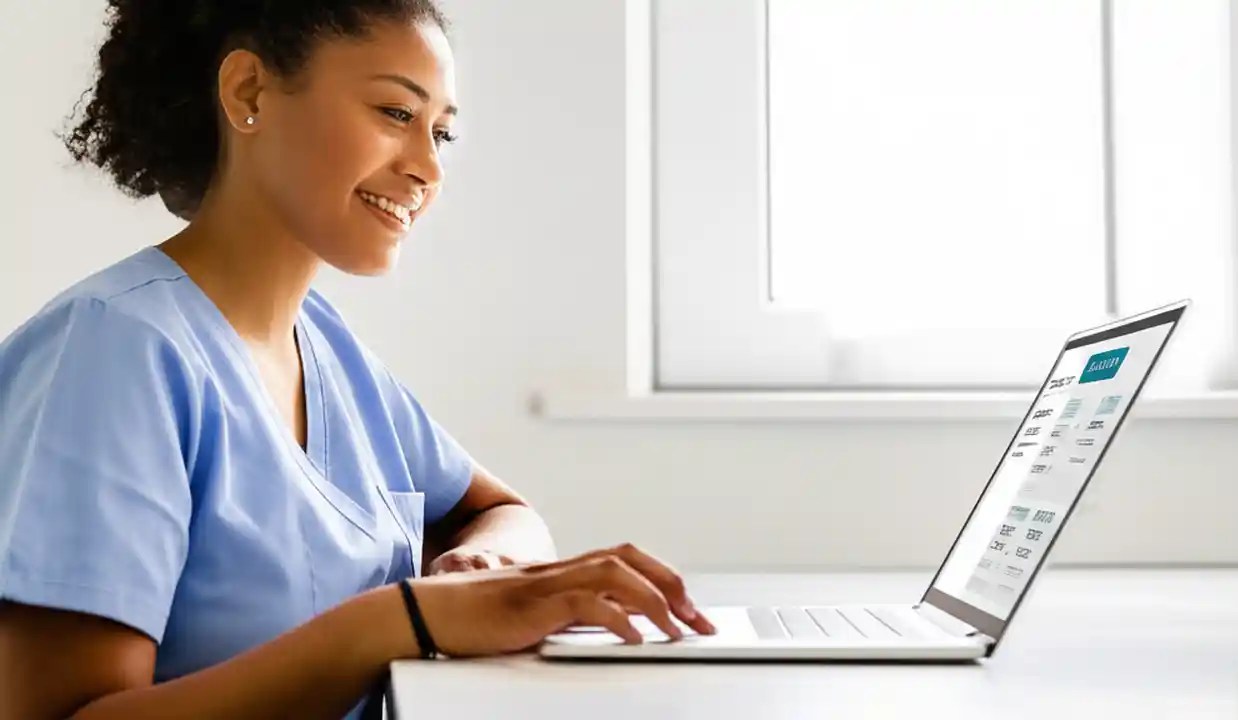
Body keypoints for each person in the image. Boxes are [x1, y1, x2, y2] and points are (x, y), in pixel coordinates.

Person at [0, 1, 716, 718]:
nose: (429, 167)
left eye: (443, 132)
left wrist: (486, 569)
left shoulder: (328, 348)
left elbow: (502, 512)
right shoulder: (112, 352)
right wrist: (406, 618)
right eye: (395, 114)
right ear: (249, 93)